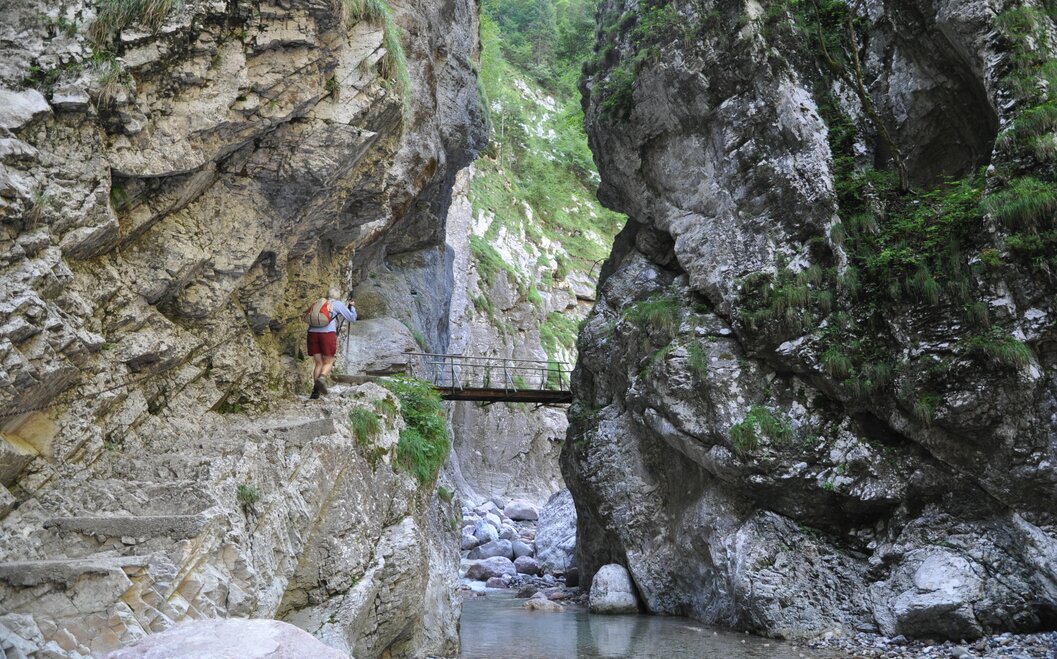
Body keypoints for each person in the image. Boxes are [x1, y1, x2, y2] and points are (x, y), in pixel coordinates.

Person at [304, 287, 357, 399]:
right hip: (327, 334)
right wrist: (352, 307)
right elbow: (352, 318)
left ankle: (315, 391)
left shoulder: (318, 302)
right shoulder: (337, 304)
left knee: (318, 363)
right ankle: (322, 378)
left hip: (312, 333)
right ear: (338, 296)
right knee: (329, 361)